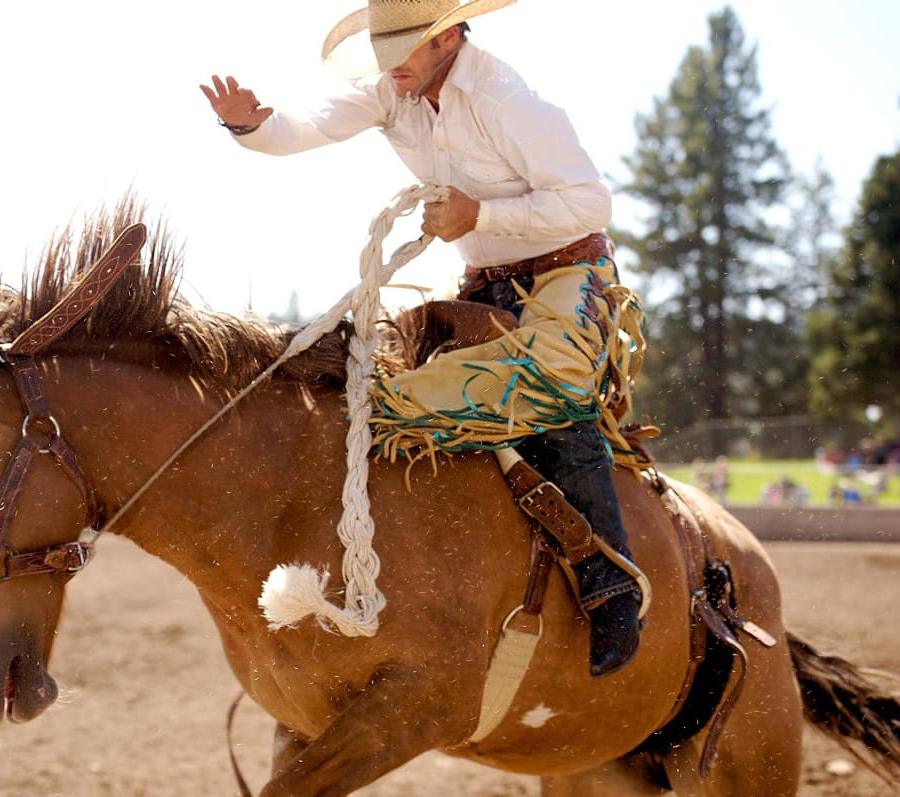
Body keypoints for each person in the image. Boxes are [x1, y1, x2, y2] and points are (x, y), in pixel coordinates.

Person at [200, 0, 642, 677]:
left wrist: (481, 212)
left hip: (569, 271)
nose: (389, 63)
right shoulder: (394, 91)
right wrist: (253, 125)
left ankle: (611, 584)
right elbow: (314, 123)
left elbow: (591, 203)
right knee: (388, 395)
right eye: (384, 47)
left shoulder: (509, 98)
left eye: (404, 45)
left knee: (551, 393)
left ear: (449, 37)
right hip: (486, 279)